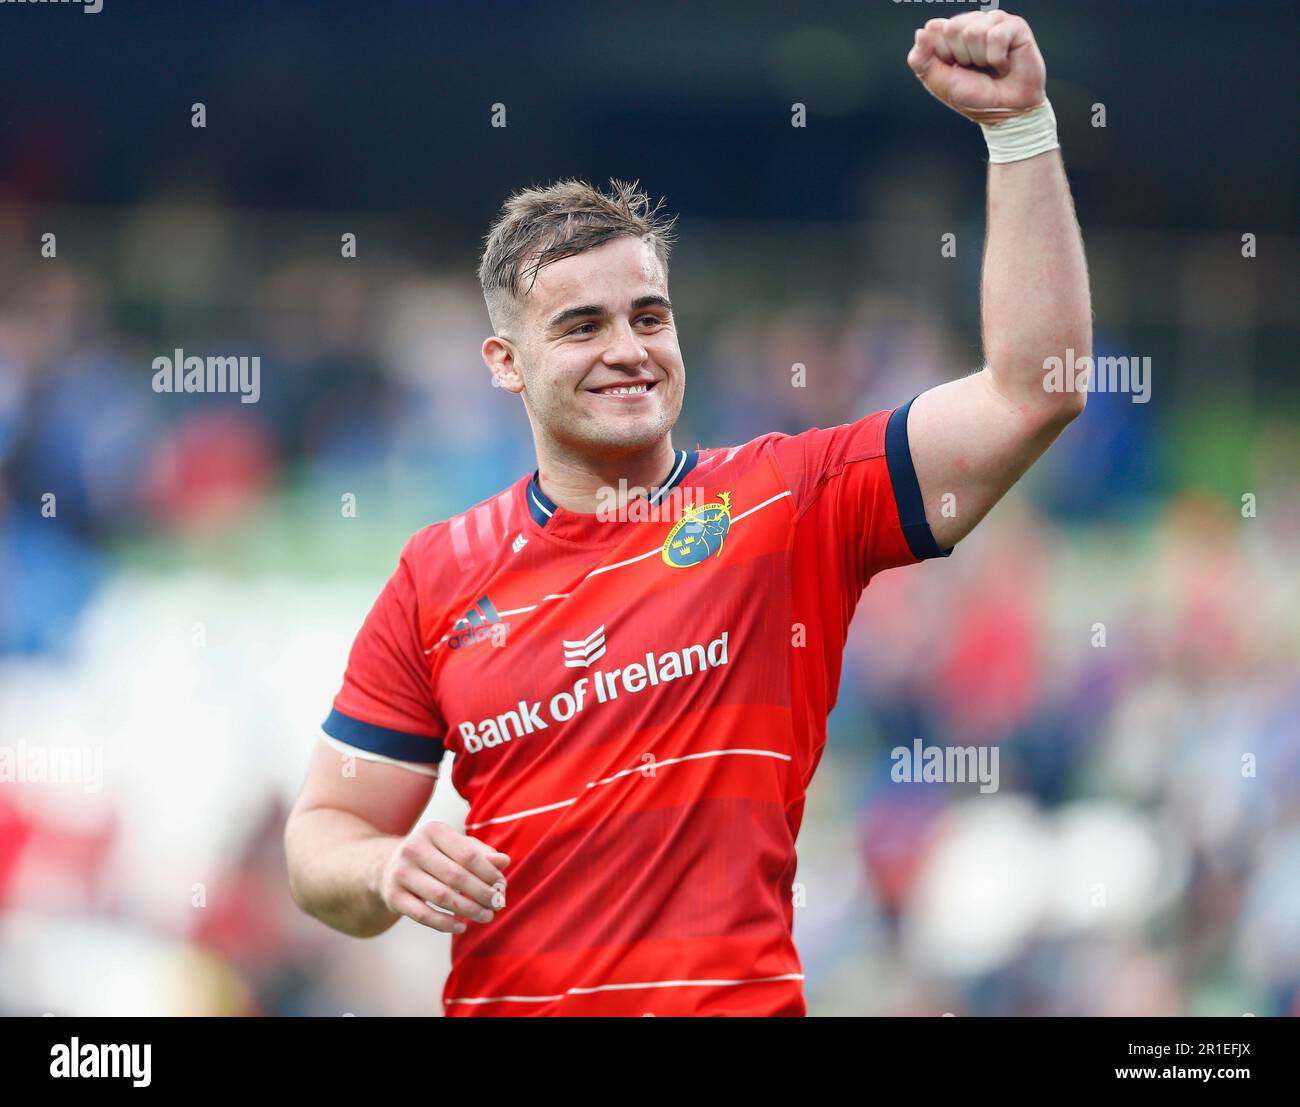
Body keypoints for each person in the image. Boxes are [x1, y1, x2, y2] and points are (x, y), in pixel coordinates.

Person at [285, 9, 1091, 1016]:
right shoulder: (438, 574)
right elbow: (324, 836)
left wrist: (1020, 131)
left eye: (649, 316)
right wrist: (385, 869)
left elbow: (1035, 391)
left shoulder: (787, 500)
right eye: (581, 325)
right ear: (505, 362)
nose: (628, 347)